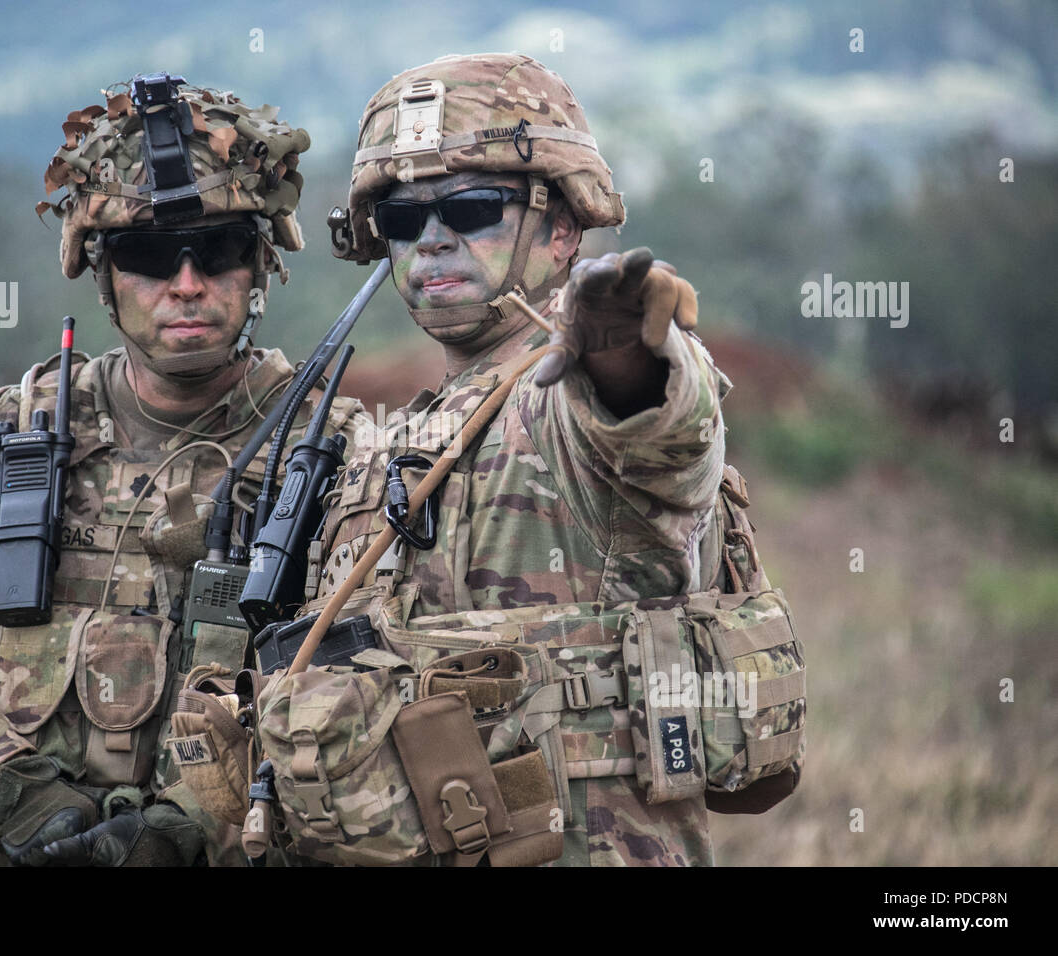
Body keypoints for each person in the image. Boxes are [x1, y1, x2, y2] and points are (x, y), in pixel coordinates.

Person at [262, 53, 801, 867]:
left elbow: (660, 425)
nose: (434, 238)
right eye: (404, 220)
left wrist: (628, 352)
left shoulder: (570, 390)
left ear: (562, 229)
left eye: (473, 208)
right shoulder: (395, 434)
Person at [0, 73, 367, 867]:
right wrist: (7, 788)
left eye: (216, 251)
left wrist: (192, 824)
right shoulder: (12, 437)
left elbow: (369, 692)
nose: (186, 285)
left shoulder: (335, 454)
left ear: (259, 267)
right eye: (150, 256)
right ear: (104, 273)